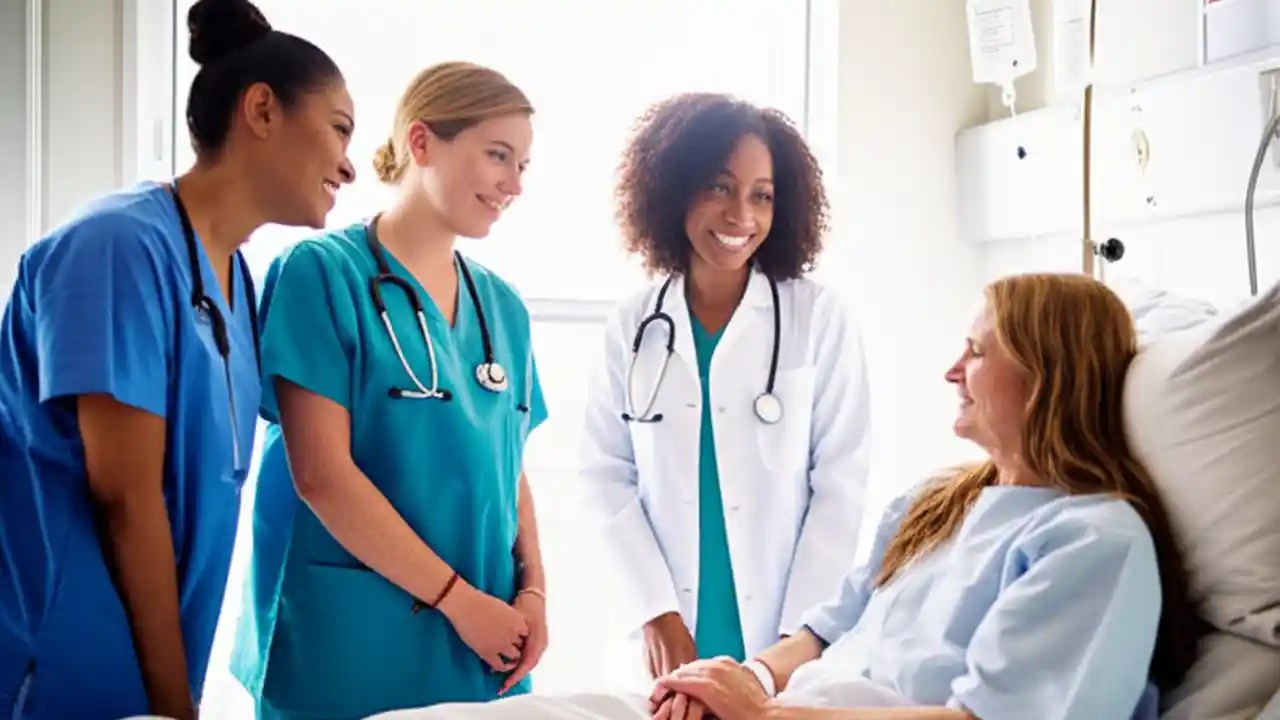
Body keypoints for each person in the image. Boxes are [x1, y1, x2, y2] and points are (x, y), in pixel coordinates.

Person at [376, 272, 1202, 720]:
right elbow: (822, 629)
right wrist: (732, 678)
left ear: (1047, 372)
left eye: (977, 351)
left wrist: (762, 716)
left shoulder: (1095, 541)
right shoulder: (937, 504)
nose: (953, 370)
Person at [0, 0, 353, 717]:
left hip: (148, 676)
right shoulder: (116, 247)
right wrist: (175, 707)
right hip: (53, 661)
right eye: (340, 128)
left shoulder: (234, 280)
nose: (349, 164)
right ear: (261, 109)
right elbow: (126, 498)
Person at [228, 61, 549, 719]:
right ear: (422, 142)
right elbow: (320, 475)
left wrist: (534, 595)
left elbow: (511, 468)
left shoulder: (503, 308)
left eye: (522, 164)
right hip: (348, 649)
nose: (513, 183)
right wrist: (461, 603)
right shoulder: (320, 274)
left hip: (482, 648)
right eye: (497, 155)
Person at [578, 92, 872, 680]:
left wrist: (796, 642)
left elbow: (841, 483)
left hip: (780, 642)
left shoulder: (815, 317)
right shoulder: (635, 324)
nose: (742, 216)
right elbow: (605, 474)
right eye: (719, 186)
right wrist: (656, 613)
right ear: (673, 188)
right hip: (667, 636)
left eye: (761, 195)